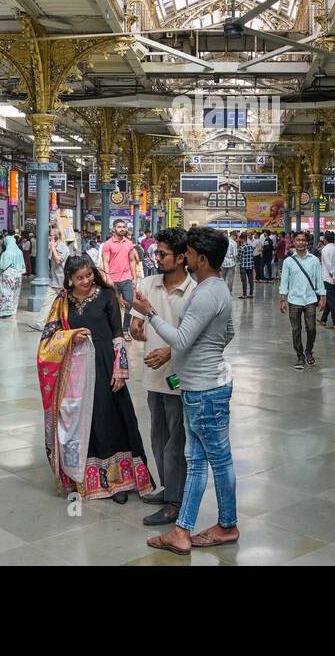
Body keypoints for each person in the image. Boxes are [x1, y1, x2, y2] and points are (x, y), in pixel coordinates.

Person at [131, 227, 238, 555]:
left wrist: (150, 313)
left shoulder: (205, 292)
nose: (186, 258)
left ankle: (222, 526)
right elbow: (228, 331)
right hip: (201, 385)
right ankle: (185, 529)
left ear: (201, 258)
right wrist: (205, 351)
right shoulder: (216, 288)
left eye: (189, 254)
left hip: (205, 390)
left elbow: (178, 340)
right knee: (201, 459)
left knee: (214, 460)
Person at [36, 255, 154, 503]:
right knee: (81, 422)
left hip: (104, 365)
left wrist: (120, 369)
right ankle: (81, 477)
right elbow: (48, 337)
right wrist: (71, 336)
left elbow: (117, 334)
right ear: (70, 278)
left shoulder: (106, 296)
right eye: (80, 278)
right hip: (75, 372)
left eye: (89, 275)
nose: (86, 281)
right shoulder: (62, 301)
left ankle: (118, 481)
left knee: (109, 418)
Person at [129, 227, 196, 528]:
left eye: (163, 254)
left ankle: (175, 502)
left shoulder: (195, 292)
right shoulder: (147, 283)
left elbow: (195, 337)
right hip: (153, 376)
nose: (157, 258)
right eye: (156, 253)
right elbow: (136, 322)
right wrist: (134, 328)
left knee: (176, 441)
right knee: (158, 435)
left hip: (180, 377)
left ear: (182, 257)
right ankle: (169, 488)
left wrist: (170, 351)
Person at [278, 230, 324, 369]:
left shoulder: (314, 260)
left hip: (310, 299)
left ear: (307, 242)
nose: (300, 242)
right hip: (294, 300)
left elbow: (319, 280)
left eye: (303, 240)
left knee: (312, 328)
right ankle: (300, 356)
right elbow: (284, 281)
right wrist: (282, 300)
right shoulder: (288, 262)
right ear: (293, 242)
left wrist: (322, 297)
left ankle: (309, 351)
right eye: (298, 240)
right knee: (296, 329)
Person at [100, 219, 141, 332]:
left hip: (126, 278)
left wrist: (134, 278)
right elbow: (105, 262)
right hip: (112, 279)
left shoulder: (129, 243)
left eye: (123, 227)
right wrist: (108, 278)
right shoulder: (108, 244)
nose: (122, 229)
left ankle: (125, 329)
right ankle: (114, 329)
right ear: (113, 229)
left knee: (129, 303)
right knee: (113, 306)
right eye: (119, 227)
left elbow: (132, 260)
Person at [318, 231, 335, 329]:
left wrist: (332, 272)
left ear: (325, 240)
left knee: (331, 300)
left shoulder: (325, 250)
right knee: (331, 299)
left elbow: (327, 263)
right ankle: (323, 319)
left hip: (327, 278)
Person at [0, 230, 26, 319]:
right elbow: (23, 266)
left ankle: (6, 312)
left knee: (6, 293)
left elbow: (3, 266)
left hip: (8, 275)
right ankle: (13, 311)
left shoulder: (6, 253)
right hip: (18, 275)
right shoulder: (19, 252)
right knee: (15, 294)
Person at [237, 229, 255, 298]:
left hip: (243, 266)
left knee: (244, 280)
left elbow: (238, 257)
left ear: (242, 239)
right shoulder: (250, 247)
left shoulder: (241, 248)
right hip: (250, 266)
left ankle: (244, 294)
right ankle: (251, 294)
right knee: (251, 280)